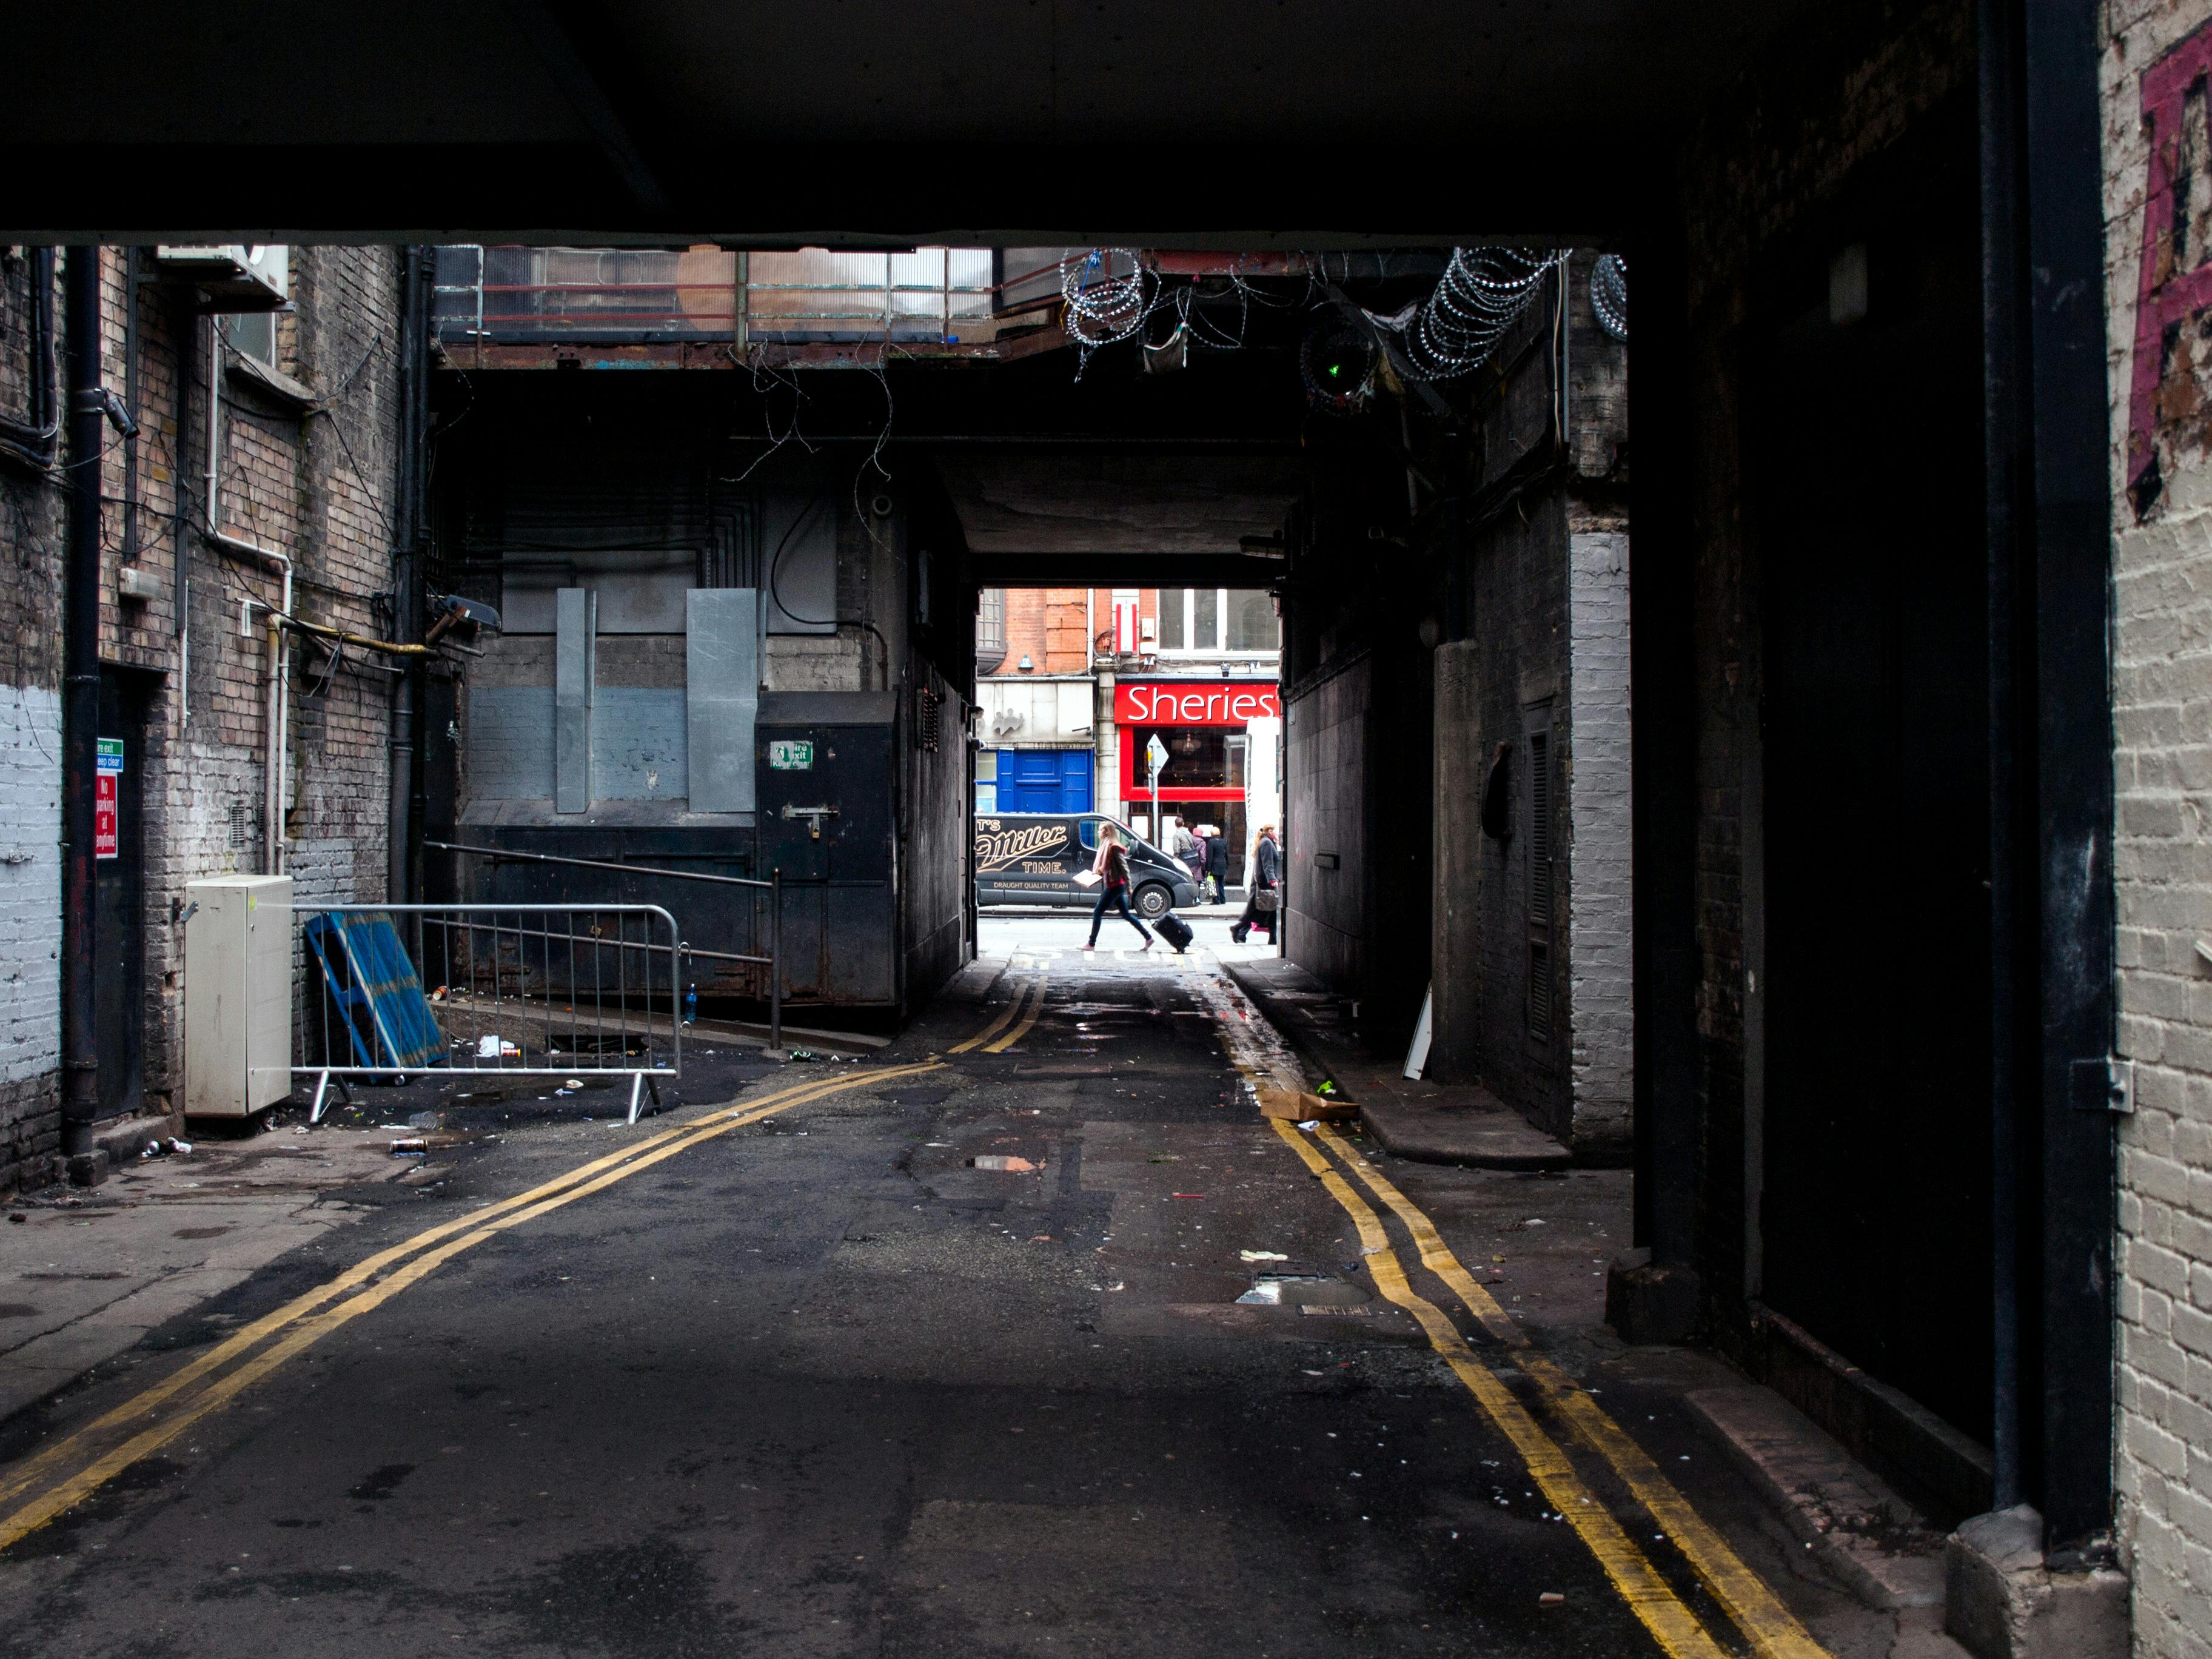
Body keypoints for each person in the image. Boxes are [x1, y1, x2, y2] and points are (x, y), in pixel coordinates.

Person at [1083, 823, 1155, 951]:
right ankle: (1148, 938)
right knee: (1126, 915)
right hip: (1114, 885)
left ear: (1106, 832)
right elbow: (1105, 868)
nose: (1098, 832)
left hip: (1115, 886)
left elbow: (1124, 868)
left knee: (1097, 912)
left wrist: (1129, 887)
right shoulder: (1106, 845)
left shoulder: (1114, 847)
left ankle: (1091, 944)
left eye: (1100, 830)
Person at [1231, 823, 1281, 944]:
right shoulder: (1267, 843)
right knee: (1257, 912)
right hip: (1264, 884)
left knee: (1267, 912)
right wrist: (1272, 880)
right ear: (1270, 832)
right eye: (1276, 831)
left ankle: (1271, 938)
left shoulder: (1267, 842)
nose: (1278, 834)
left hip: (1263, 883)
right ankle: (1238, 929)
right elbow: (1267, 864)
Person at [1204, 827, 1230, 905]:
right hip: (1223, 864)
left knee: (1215, 883)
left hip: (1215, 865)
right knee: (1221, 883)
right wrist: (1227, 864)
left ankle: (1216, 900)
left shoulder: (1211, 842)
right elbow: (1226, 854)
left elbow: (1210, 856)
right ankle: (1223, 899)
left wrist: (1208, 869)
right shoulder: (1223, 842)